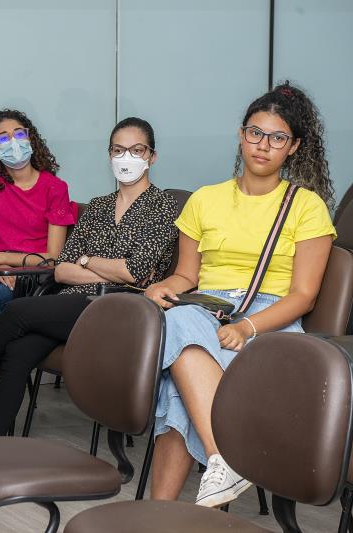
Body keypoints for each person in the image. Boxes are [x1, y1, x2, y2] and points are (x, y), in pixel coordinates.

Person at [143, 82, 335, 508]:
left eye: (277, 137)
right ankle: (222, 462)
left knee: (177, 379)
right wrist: (163, 288)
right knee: (177, 324)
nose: (263, 145)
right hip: (207, 309)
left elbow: (303, 295)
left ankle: (160, 511)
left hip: (271, 319)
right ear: (241, 134)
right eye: (255, 132)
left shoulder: (306, 206)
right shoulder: (204, 200)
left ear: (294, 146)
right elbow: (186, 276)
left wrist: (247, 326)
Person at [0, 117, 178, 438]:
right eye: (119, 150)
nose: (126, 157)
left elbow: (134, 272)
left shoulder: (164, 205)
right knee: (18, 353)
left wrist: (88, 260)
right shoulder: (100, 207)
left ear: (152, 157)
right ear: (109, 155)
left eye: (136, 150)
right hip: (74, 303)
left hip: (122, 308)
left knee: (16, 313)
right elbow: (61, 267)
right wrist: (107, 267)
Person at [0, 109, 77, 324]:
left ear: (31, 141)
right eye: (4, 137)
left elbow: (53, 256)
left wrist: (5, 260)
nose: (13, 142)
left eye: (19, 134)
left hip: (35, 276)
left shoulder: (55, 188)